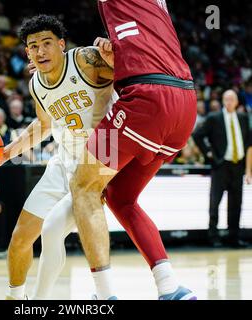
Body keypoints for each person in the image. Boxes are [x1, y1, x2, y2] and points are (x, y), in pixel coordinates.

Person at [69, 0, 197, 300]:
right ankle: (170, 287)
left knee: (83, 186)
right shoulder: (153, 10)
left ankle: (104, 296)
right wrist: (118, 50)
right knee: (120, 197)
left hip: (146, 100)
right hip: (186, 103)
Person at [1, 15, 115, 300]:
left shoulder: (86, 59)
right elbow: (43, 126)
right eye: (33, 46)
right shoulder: (36, 84)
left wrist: (114, 54)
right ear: (27, 52)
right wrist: (4, 154)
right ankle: (17, 298)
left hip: (98, 162)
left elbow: (127, 74)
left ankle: (43, 302)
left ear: (61, 44)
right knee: (19, 239)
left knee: (52, 231)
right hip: (62, 163)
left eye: (47, 44)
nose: (40, 51)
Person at [193, 90, 251, 247]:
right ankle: (213, 237)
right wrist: (209, 154)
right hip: (221, 165)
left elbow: (248, 144)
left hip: (238, 165)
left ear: (237, 101)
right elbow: (197, 135)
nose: (229, 102)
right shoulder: (214, 118)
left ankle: (234, 237)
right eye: (226, 99)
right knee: (215, 202)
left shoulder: (244, 118)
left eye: (232, 99)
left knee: (236, 204)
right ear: (223, 101)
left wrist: (248, 169)